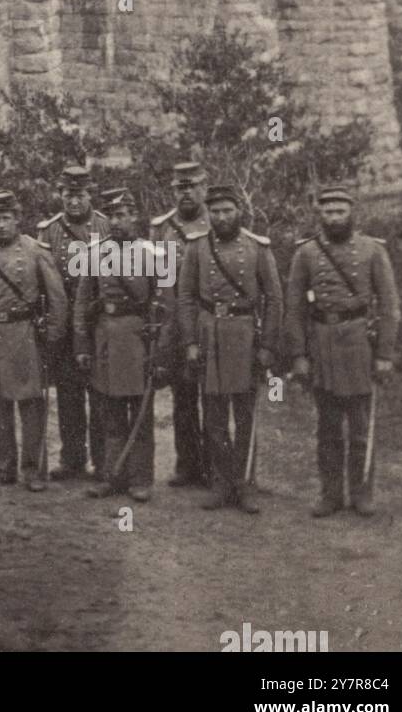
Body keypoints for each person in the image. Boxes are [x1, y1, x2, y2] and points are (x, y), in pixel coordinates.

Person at [285, 185, 400, 518]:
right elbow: (293, 310)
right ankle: (330, 493)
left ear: (352, 213)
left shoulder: (373, 251)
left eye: (340, 211)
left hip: (359, 344)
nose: (334, 218)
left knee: (361, 424)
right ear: (319, 215)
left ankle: (363, 493)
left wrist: (384, 354)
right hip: (321, 343)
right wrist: (299, 355)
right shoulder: (305, 254)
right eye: (327, 212)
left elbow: (390, 305)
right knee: (328, 425)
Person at [177, 183, 282, 514]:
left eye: (227, 211)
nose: (221, 217)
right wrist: (191, 341)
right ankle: (221, 483)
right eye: (216, 212)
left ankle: (243, 483)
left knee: (246, 413)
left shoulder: (257, 248)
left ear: (239, 212)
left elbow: (275, 299)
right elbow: (186, 297)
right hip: (210, 335)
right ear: (209, 214)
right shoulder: (196, 248)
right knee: (215, 416)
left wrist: (267, 346)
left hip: (244, 335)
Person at [0, 191, 67, 491]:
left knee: (31, 406)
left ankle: (33, 469)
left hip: (26, 337)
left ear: (18, 219)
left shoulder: (35, 251)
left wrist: (53, 340)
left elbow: (57, 299)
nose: (1, 225)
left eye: (6, 218)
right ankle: (2, 465)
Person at [74, 187, 174, 502]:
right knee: (109, 413)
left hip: (138, 340)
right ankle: (111, 476)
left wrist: (161, 354)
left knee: (140, 414)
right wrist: (81, 345)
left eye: (122, 215)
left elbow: (168, 309)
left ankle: (140, 479)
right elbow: (81, 303)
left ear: (134, 216)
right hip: (104, 337)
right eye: (112, 216)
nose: (115, 222)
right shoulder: (92, 253)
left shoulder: (158, 254)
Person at [38, 165, 109, 480]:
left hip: (97, 323)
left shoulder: (105, 227)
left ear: (89, 194)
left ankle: (102, 459)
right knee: (68, 395)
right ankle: (72, 458)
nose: (74, 202)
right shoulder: (49, 230)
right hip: (64, 323)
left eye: (80, 195)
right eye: (68, 195)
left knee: (100, 393)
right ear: (61, 195)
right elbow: (41, 278)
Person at [151, 161, 212, 489]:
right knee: (183, 398)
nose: (186, 193)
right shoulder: (161, 228)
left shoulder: (217, 221)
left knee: (214, 398)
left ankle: (218, 467)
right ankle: (187, 464)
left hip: (211, 321)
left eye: (192, 186)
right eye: (179, 188)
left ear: (205, 188)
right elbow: (156, 281)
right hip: (174, 325)